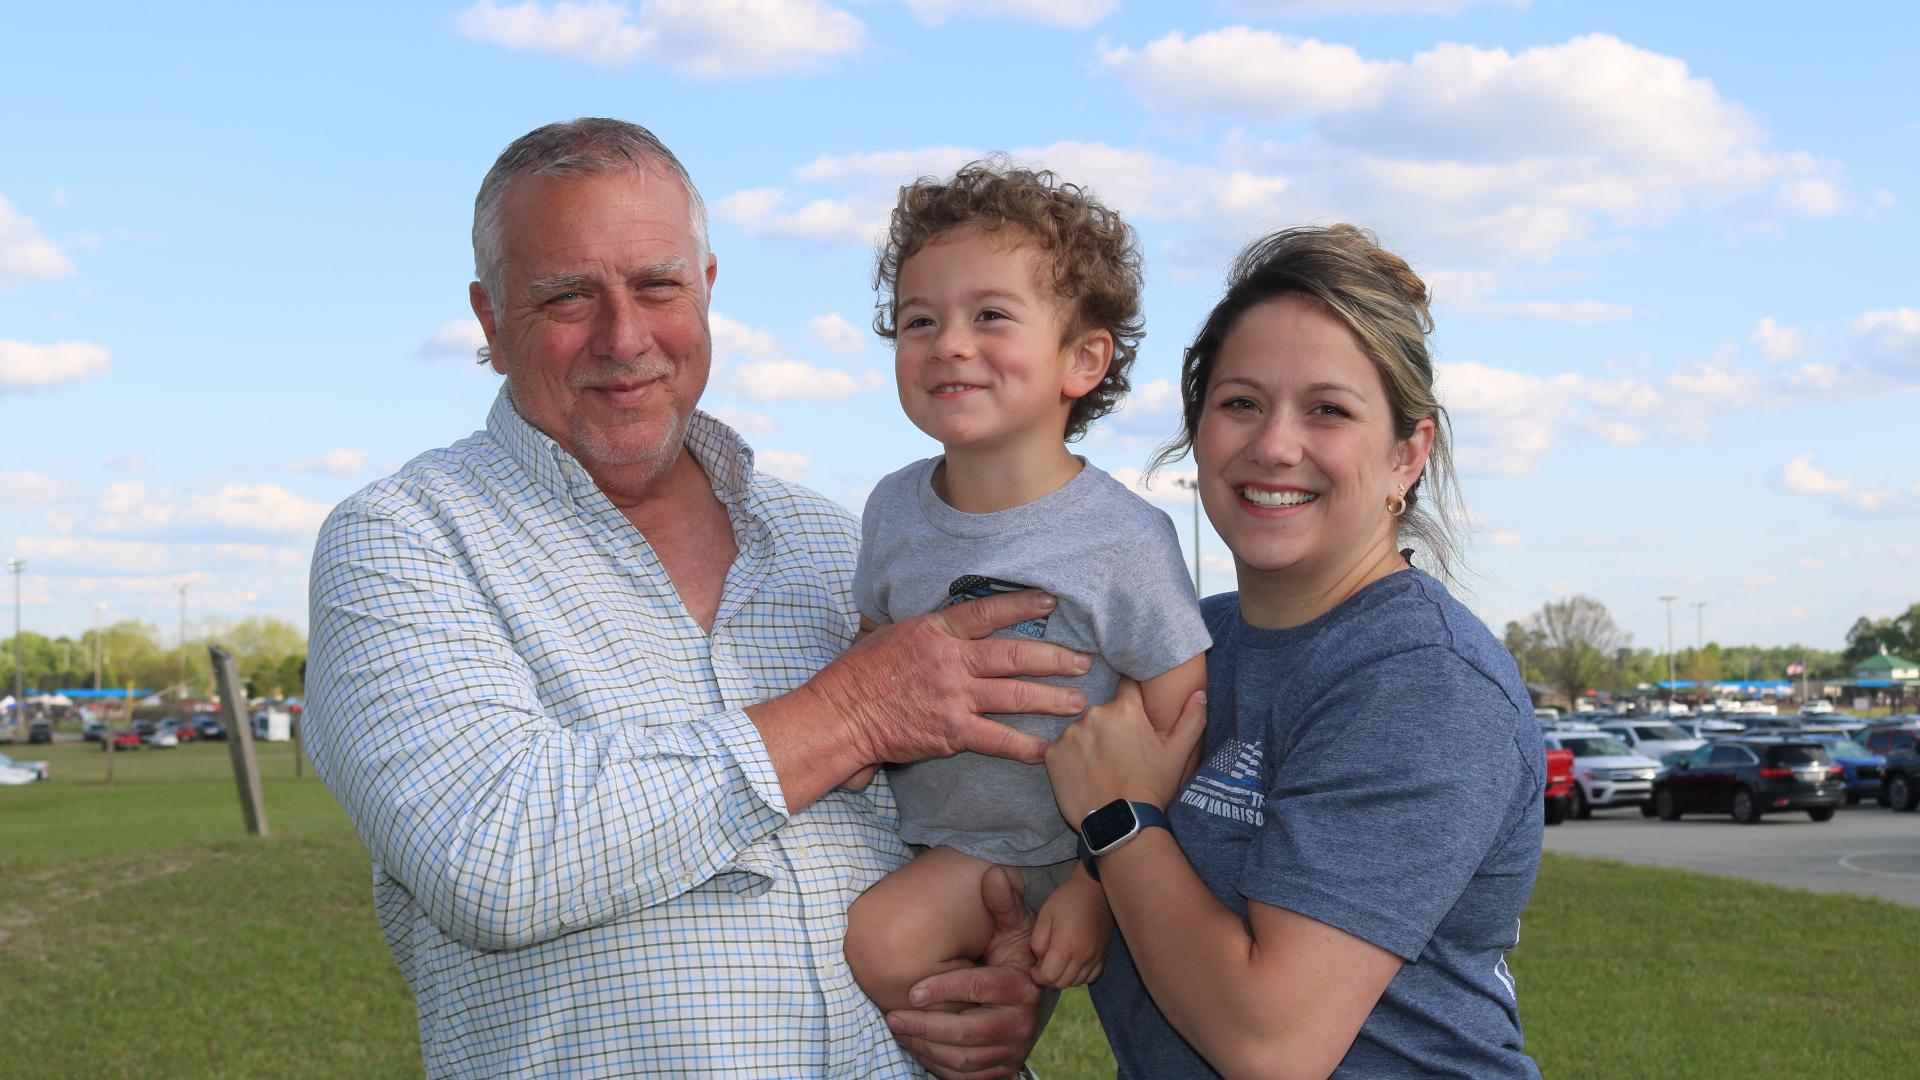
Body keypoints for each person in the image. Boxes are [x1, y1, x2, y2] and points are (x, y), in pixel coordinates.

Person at [305, 118, 1087, 1079]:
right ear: (489, 318)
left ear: (707, 288)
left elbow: (984, 815)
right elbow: (491, 857)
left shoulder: (838, 540)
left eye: (657, 286)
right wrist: (848, 713)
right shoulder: (402, 539)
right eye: (566, 297)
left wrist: (1007, 983)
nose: (624, 337)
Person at [1043, 224, 1546, 1078]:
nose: (1274, 445)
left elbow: (1271, 1043)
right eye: (1240, 402)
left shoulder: (1423, 682)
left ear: (1405, 456)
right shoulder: (1188, 643)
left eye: (1329, 410)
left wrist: (1118, 824)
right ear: (1197, 433)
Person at [841, 162, 1211, 1010]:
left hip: (1048, 848)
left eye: (990, 316)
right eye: (919, 320)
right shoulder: (894, 506)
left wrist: (1101, 878)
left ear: (1082, 359)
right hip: (921, 833)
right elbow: (872, 650)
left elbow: (1181, 714)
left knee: (882, 942)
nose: (949, 343)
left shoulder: (1122, 537)